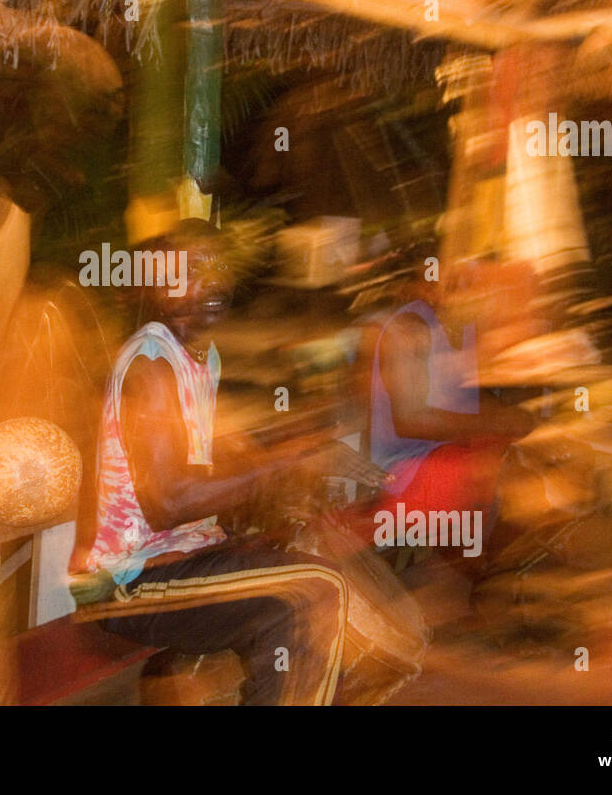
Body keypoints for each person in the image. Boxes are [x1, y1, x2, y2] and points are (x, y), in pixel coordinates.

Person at [78, 218, 384, 705]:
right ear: (158, 285)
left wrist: (304, 448)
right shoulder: (151, 363)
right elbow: (171, 500)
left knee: (315, 561)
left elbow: (223, 452)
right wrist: (285, 460)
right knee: (317, 588)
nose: (212, 280)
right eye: (191, 269)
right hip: (134, 579)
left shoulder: (202, 357)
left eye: (218, 266)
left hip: (187, 557)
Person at [368, 254, 536, 556]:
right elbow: (411, 420)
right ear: (407, 289)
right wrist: (498, 423)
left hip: (430, 462)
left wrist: (509, 417)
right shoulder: (401, 332)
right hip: (406, 475)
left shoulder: (431, 327)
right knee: (515, 484)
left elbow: (459, 395)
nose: (439, 292)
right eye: (430, 281)